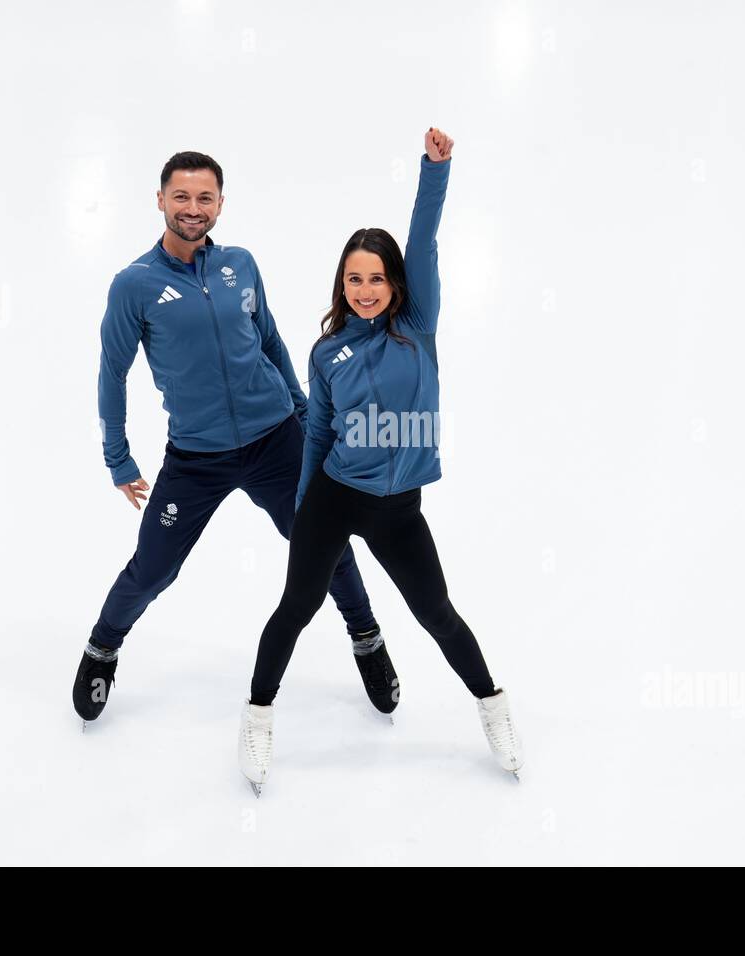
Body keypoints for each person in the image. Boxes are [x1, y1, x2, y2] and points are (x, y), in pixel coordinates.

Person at [237, 128, 522, 793]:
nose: (365, 289)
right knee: (296, 607)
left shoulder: (417, 326)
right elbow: (317, 433)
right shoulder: (325, 352)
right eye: (353, 278)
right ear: (342, 282)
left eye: (377, 277)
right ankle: (257, 715)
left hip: (398, 511)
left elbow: (422, 238)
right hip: (334, 497)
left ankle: (494, 706)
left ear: (396, 283)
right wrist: (307, 503)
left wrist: (435, 169)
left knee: (437, 614)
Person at [74, 150, 402, 726]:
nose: (193, 209)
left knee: (323, 547)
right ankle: (103, 647)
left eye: (205, 198)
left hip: (278, 440)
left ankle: (367, 638)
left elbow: (270, 340)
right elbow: (111, 373)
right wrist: (118, 458)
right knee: (153, 568)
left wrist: (304, 415)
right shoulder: (135, 286)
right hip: (197, 458)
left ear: (220, 204)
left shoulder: (241, 265)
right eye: (181, 196)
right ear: (160, 201)